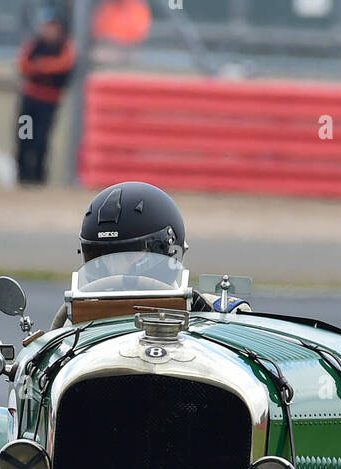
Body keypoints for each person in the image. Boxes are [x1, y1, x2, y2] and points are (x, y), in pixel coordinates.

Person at [52, 182, 252, 326]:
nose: (115, 270)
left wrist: (205, 317)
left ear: (168, 251)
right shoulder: (75, 322)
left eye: (128, 256)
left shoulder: (223, 314)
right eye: (100, 257)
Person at [15, 11, 77, 186]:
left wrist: (41, 66)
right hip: (30, 100)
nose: (50, 31)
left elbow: (63, 65)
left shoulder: (64, 47)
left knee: (41, 140)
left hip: (48, 102)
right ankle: (21, 177)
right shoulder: (35, 45)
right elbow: (23, 65)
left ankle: (38, 179)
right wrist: (40, 67)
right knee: (24, 137)